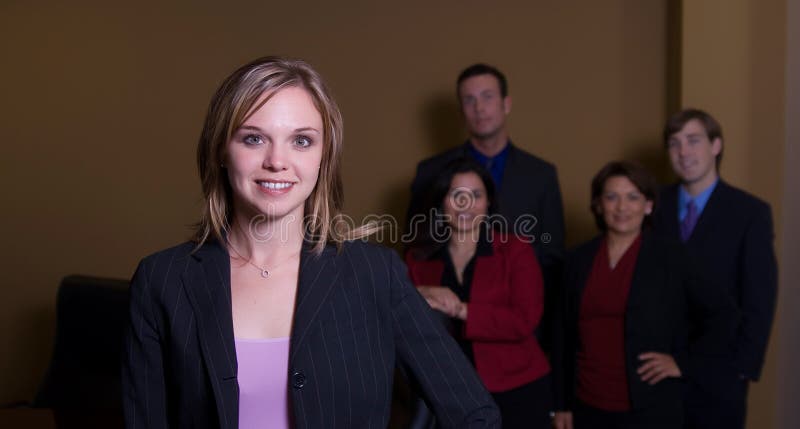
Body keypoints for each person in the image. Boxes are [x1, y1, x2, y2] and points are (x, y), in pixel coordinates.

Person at [121, 56, 500, 429]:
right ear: (222, 149)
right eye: (253, 138)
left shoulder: (373, 273)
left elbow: (474, 413)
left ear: (324, 157)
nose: (277, 161)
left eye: (301, 140)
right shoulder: (162, 280)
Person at [552, 161, 734, 429]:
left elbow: (725, 315)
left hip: (650, 408)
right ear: (599, 205)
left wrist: (684, 363)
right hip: (585, 405)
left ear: (648, 205)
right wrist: (561, 403)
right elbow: (561, 335)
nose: (622, 207)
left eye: (633, 197)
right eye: (611, 197)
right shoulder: (577, 260)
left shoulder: (672, 257)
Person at [407, 63, 565, 348]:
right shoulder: (430, 172)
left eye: (487, 96)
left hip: (517, 336)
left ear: (506, 104)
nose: (479, 107)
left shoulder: (541, 175)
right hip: (442, 336)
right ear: (461, 111)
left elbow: (551, 258)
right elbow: (415, 246)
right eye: (469, 99)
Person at [653, 108, 778, 429]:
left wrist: (743, 368)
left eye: (693, 141)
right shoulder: (650, 205)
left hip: (720, 375)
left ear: (716, 146)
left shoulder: (750, 212)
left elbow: (759, 297)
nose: (684, 152)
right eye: (674, 143)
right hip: (658, 371)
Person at [405, 157, 552, 429]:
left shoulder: (515, 250)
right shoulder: (419, 258)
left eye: (475, 195)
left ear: (488, 203)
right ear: (441, 201)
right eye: (456, 194)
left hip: (517, 387)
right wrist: (418, 292)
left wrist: (461, 309)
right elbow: (401, 319)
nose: (465, 205)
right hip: (449, 392)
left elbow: (525, 319)